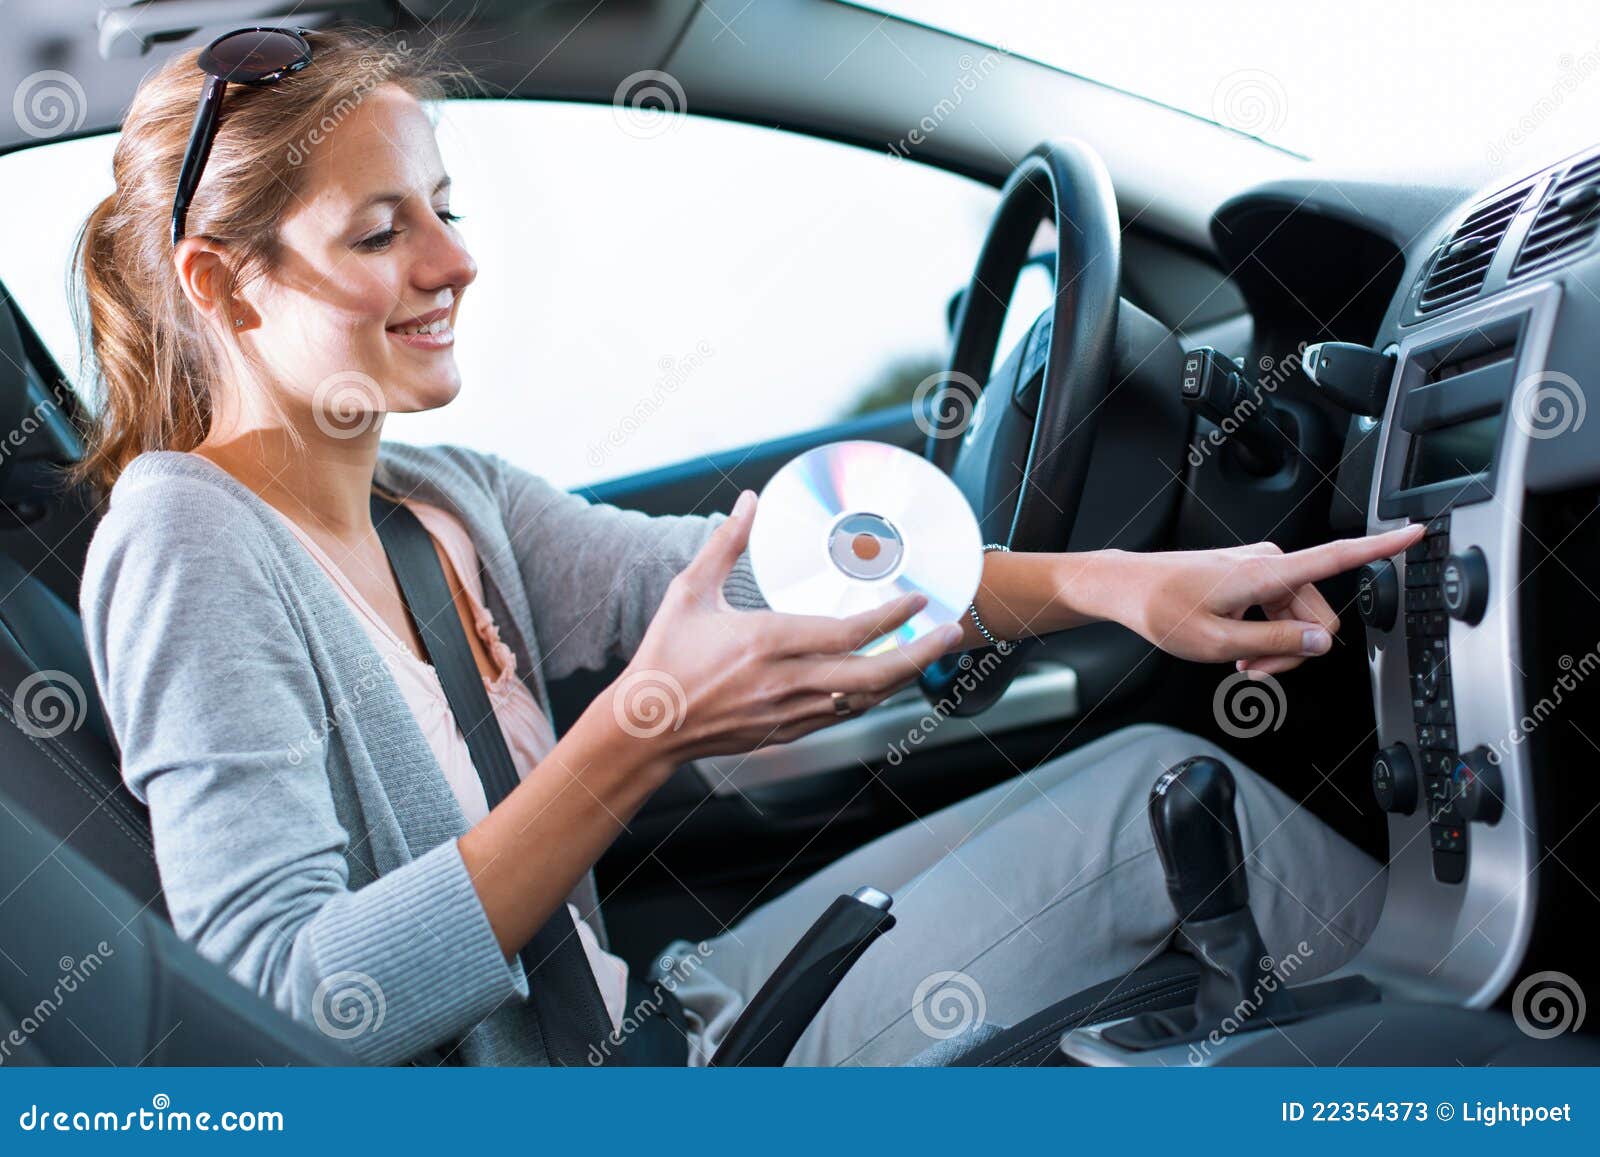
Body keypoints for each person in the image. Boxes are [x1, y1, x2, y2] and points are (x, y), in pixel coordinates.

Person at [73, 27, 1419, 1067]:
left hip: (655, 1026)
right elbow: (283, 1008)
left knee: (1154, 779)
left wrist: (1114, 583)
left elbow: (793, 574)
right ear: (223, 284)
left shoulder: (439, 499)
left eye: (444, 208)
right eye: (381, 231)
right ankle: (1486, 1052)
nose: (453, 261)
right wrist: (638, 735)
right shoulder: (187, 534)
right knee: (1194, 825)